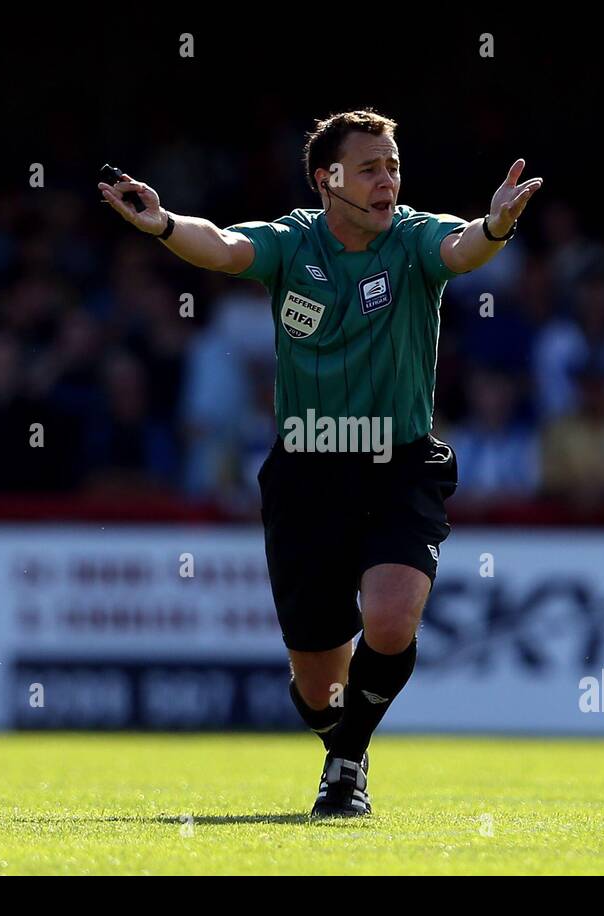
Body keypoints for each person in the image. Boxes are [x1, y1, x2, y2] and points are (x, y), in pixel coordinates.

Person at [99, 109, 540, 817]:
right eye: (369, 168)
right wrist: (161, 223)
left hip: (399, 466)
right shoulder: (292, 243)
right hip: (307, 475)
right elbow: (220, 247)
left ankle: (345, 766)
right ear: (326, 179)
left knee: (393, 622)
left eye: (392, 166)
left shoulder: (414, 238)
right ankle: (342, 736)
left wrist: (493, 227)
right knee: (318, 689)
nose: (386, 180)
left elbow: (462, 250)